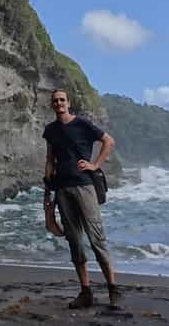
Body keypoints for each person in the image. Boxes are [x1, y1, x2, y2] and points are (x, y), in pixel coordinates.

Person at [42, 88, 120, 309]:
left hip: (85, 187)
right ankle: (85, 292)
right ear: (52, 105)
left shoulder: (82, 124)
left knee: (97, 239)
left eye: (62, 100)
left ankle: (113, 289)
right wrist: (47, 189)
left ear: (69, 102)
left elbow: (108, 142)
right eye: (55, 101)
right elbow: (50, 159)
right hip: (62, 190)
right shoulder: (50, 131)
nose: (59, 103)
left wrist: (94, 165)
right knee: (74, 241)